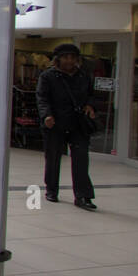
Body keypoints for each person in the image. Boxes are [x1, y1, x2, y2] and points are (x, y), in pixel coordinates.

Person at [36, 43, 97, 210]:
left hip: (78, 123)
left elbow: (91, 95)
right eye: (65, 57)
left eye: (72, 57)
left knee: (81, 159)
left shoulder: (83, 76)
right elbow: (42, 97)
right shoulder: (48, 76)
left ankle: (83, 196)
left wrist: (90, 105)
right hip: (55, 123)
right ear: (58, 59)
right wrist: (46, 115)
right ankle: (51, 189)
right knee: (53, 158)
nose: (69, 60)